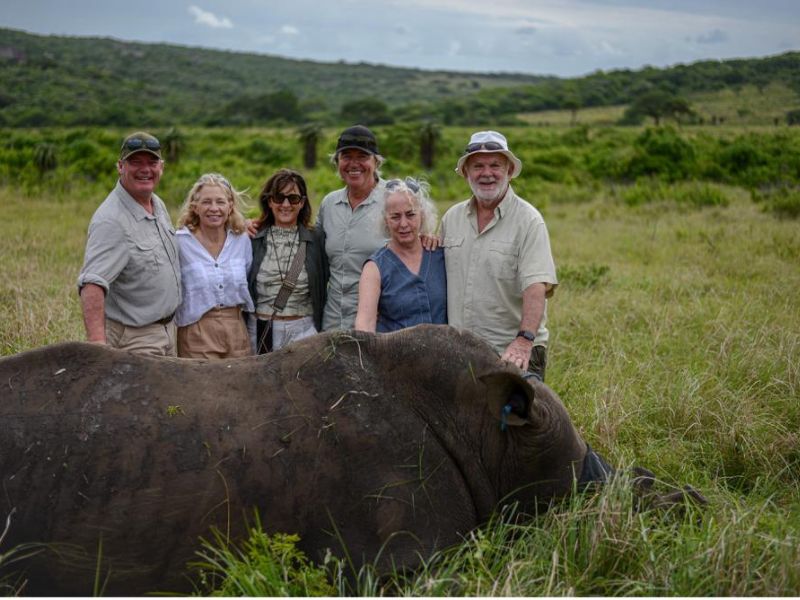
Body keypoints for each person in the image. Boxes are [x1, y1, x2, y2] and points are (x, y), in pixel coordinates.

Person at [440, 130, 558, 381]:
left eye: (495, 165)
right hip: (460, 352)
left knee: (517, 409)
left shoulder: (529, 221)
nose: (487, 173)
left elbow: (536, 286)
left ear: (510, 171)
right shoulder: (451, 218)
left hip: (513, 351)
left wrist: (524, 340)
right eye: (478, 166)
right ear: (466, 172)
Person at [77, 131, 181, 356]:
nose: (145, 169)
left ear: (161, 167)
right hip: (136, 339)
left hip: (169, 331)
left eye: (152, 162)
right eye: (135, 162)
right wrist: (98, 347)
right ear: (120, 166)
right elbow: (92, 284)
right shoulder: (111, 220)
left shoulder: (157, 204)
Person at [174, 173, 254, 358]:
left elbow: (250, 276)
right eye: (206, 202)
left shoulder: (242, 239)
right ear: (195, 207)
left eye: (220, 202)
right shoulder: (180, 242)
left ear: (230, 206)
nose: (214, 208)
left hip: (237, 330)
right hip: (197, 332)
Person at [248, 168, 328, 353]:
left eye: (293, 198)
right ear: (269, 201)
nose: (285, 204)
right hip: (261, 332)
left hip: (304, 332)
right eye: (279, 197)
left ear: (302, 202)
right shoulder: (253, 237)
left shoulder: (317, 239)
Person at [317, 125, 387, 330]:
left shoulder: (394, 199)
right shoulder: (329, 204)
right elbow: (308, 245)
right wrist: (254, 226)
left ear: (376, 161)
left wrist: (428, 237)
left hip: (378, 327)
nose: (354, 164)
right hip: (332, 323)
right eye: (346, 157)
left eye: (362, 156)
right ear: (337, 162)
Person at [354, 177, 446, 332]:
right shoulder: (374, 268)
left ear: (422, 215)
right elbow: (365, 324)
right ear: (385, 220)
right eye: (395, 217)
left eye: (410, 214)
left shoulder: (440, 255)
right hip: (395, 348)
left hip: (443, 347)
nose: (403, 224)